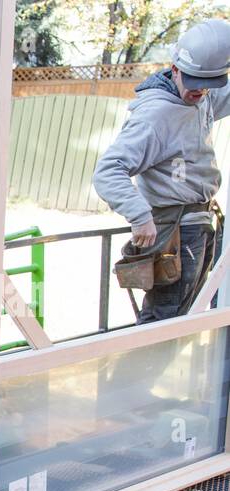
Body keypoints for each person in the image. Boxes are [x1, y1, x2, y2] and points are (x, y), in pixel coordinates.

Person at [94, 19, 230, 323]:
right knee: (164, 317)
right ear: (176, 70)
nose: (200, 91)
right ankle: (141, 371)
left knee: (188, 311)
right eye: (194, 83)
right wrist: (139, 216)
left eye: (207, 84)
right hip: (175, 229)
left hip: (199, 221)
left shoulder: (202, 96)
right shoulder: (155, 115)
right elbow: (108, 170)